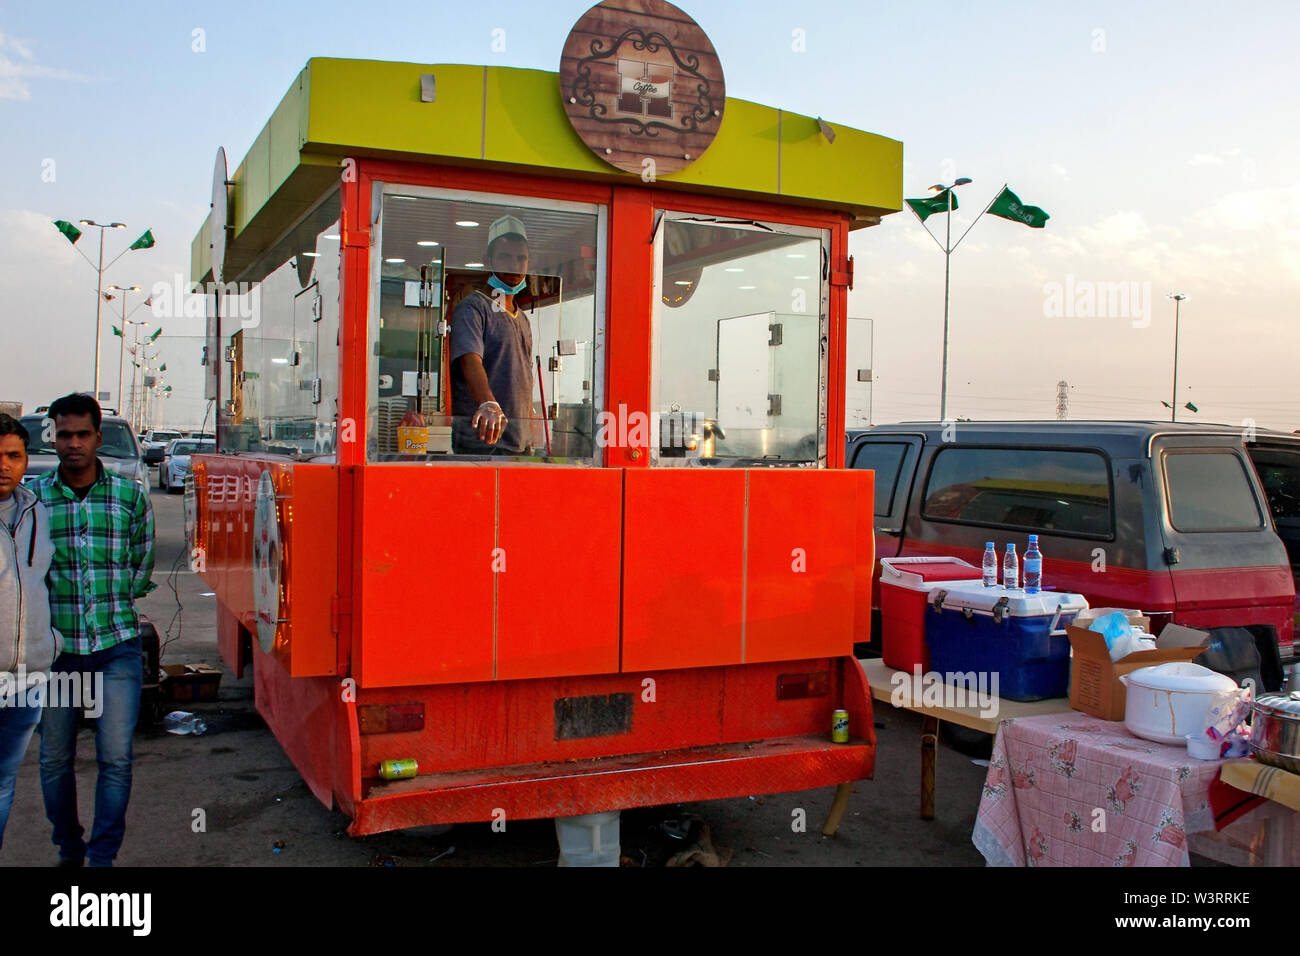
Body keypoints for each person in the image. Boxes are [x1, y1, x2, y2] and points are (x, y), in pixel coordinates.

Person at [30, 393, 154, 867]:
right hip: (56, 652)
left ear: (98, 438)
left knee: (116, 759)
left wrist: (118, 596)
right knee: (54, 760)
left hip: (115, 646)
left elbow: (141, 560)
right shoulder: (35, 500)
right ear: (54, 438)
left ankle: (102, 858)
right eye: (64, 435)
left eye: (82, 434)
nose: (73, 444)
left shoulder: (129, 496)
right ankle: (69, 849)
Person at [0, 414, 57, 853]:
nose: (3, 465)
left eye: (13, 456)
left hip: (25, 678)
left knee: (3, 784)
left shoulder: (36, 511)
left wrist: (49, 644)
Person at [449, 214, 536, 455]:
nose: (514, 266)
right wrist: (488, 404)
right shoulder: (473, 308)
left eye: (521, 259)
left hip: (519, 446)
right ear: (488, 260)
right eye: (505, 257)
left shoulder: (523, 319)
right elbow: (470, 360)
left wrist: (530, 427)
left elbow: (524, 377)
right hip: (483, 446)